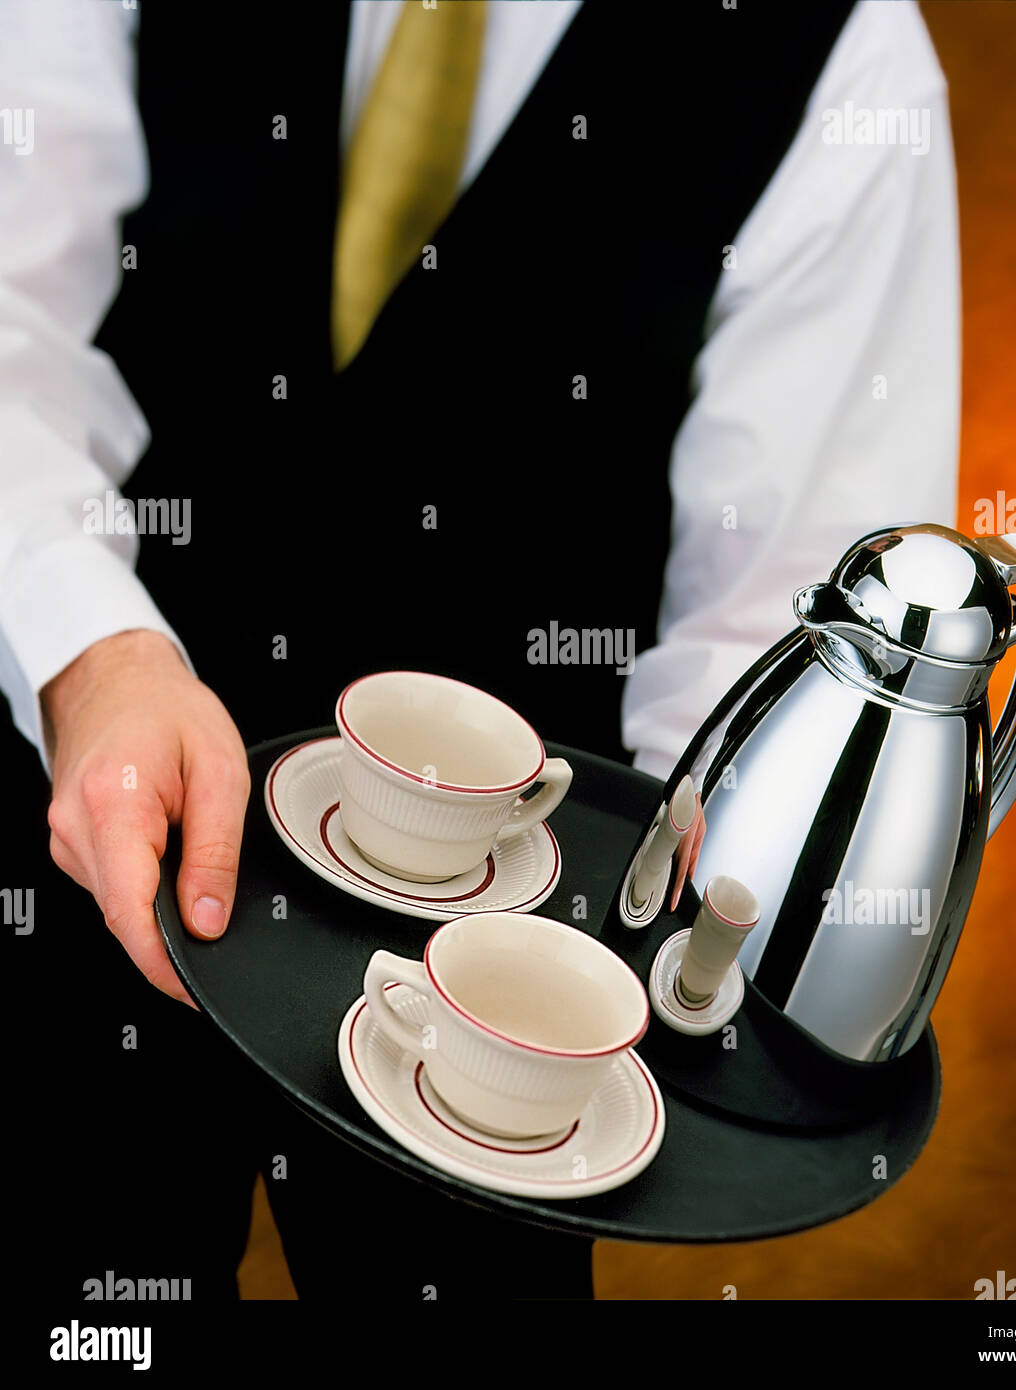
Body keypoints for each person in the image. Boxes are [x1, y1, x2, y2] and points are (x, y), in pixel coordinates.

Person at [1, 0, 959, 1300]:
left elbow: (775, 651)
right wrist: (85, 648)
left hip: (516, 1001)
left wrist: (668, 947)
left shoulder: (851, 60)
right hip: (75, 834)